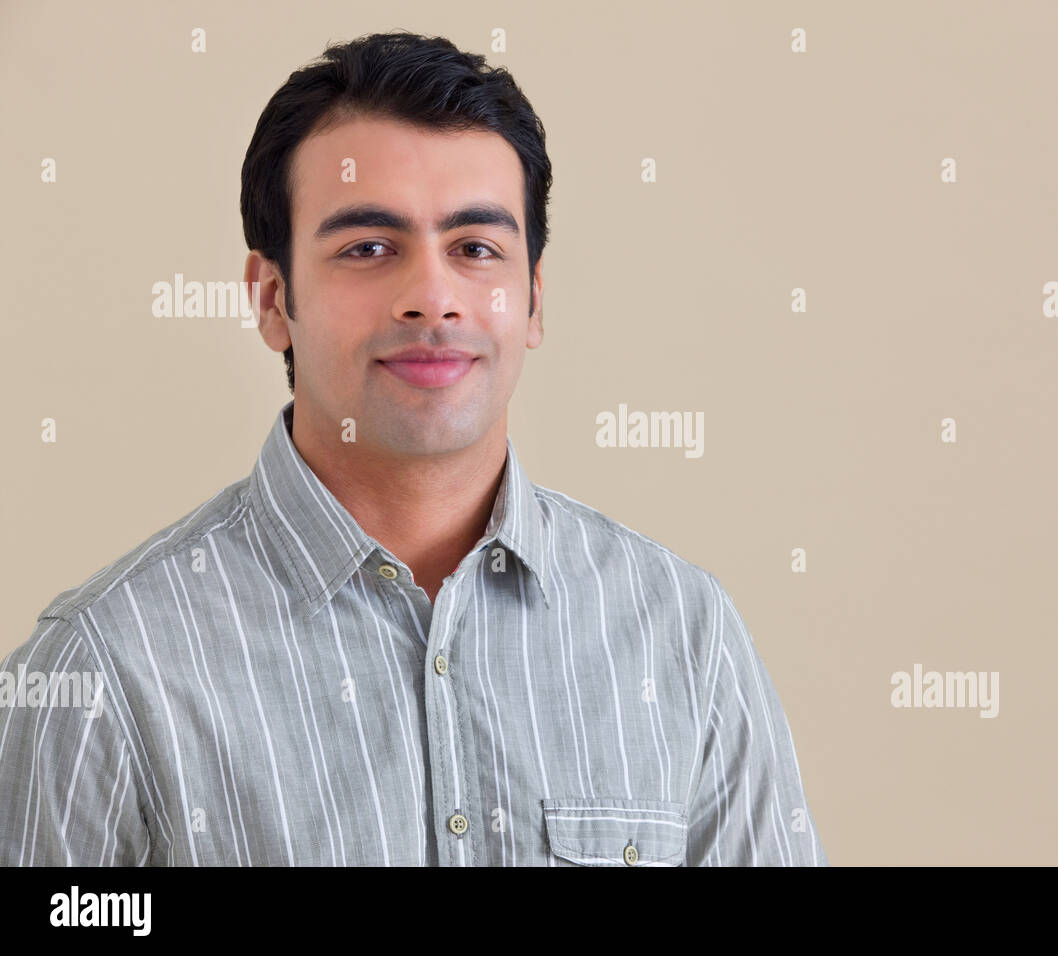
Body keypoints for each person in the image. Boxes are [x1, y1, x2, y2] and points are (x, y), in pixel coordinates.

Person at [0, 31, 828, 867]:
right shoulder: (98, 671)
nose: (432, 297)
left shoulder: (683, 634)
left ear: (532, 299)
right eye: (368, 248)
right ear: (273, 298)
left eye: (476, 249)